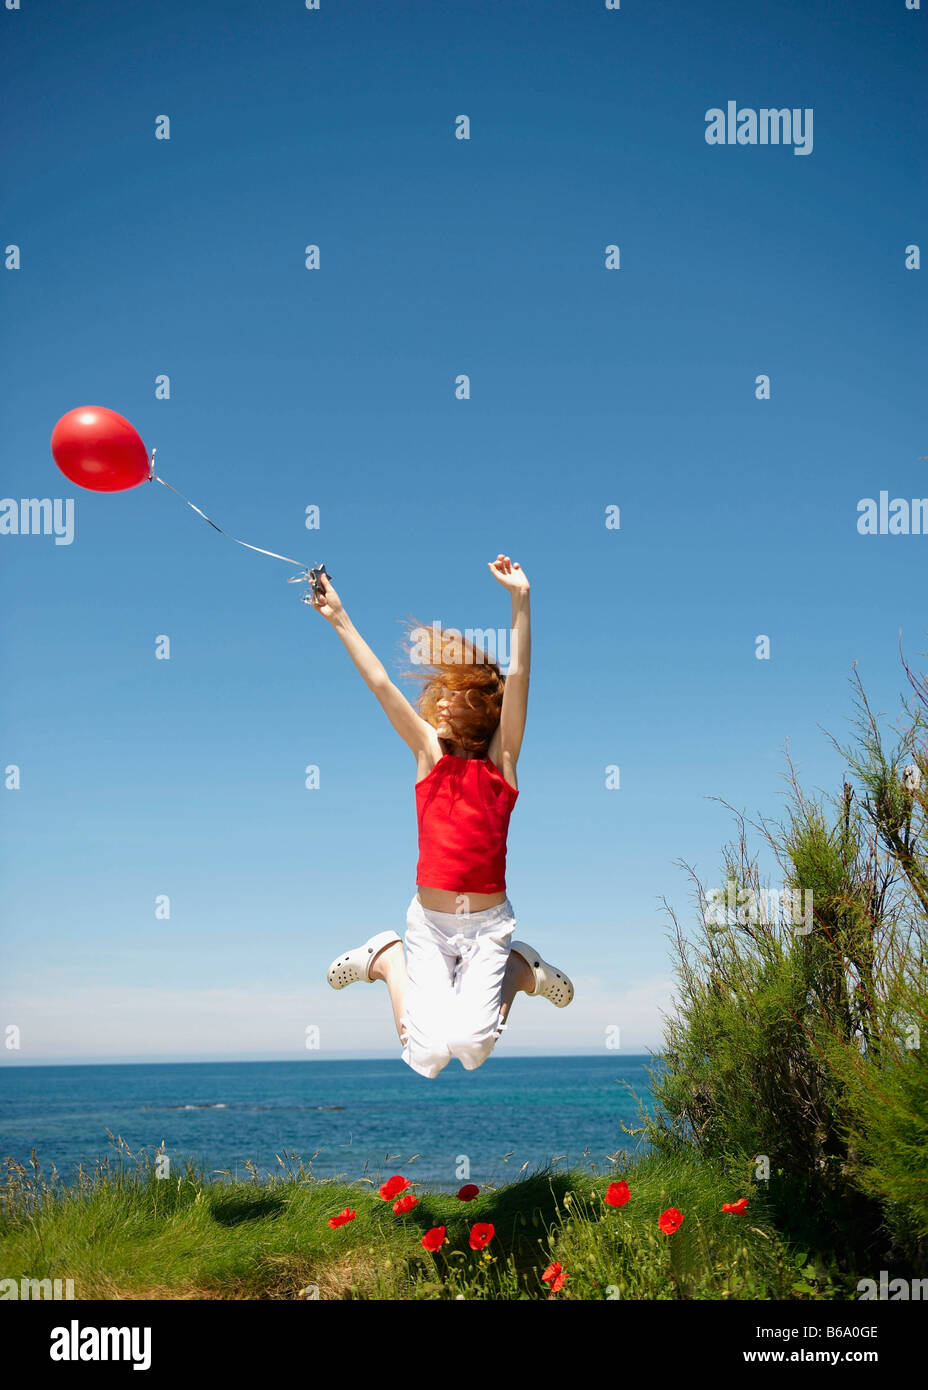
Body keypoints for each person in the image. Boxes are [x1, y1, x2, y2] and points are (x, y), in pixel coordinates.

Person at [312, 554, 573, 1079]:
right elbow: (382, 685)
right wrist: (339, 617)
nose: (442, 705)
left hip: (488, 929)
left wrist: (521, 601)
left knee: (472, 1049)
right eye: (442, 696)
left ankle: (521, 968)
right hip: (429, 926)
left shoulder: (502, 763)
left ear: (481, 707)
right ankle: (386, 958)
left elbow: (520, 680)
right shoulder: (429, 755)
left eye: (456, 697)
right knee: (428, 1058)